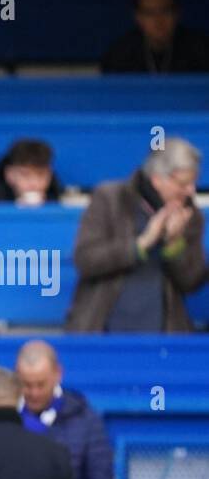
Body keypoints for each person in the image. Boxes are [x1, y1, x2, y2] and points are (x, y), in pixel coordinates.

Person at [67, 138, 206, 333]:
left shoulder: (190, 214)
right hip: (101, 327)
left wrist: (174, 243)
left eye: (193, 183)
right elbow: (86, 260)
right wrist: (141, 244)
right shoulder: (110, 199)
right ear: (158, 179)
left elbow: (191, 282)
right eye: (183, 183)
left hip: (163, 334)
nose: (190, 190)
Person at [16, 340, 113, 479]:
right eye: (26, 384)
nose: (34, 392)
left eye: (41, 384)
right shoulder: (6, 419)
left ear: (57, 374)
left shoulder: (86, 419)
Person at [101, 0, 209, 74]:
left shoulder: (201, 50)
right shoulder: (120, 55)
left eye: (165, 11)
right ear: (138, 17)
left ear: (177, 13)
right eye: (149, 13)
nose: (158, 20)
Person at [0, 139, 63, 206]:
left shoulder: (55, 199)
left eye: (41, 175)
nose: (34, 183)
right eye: (25, 175)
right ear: (9, 174)